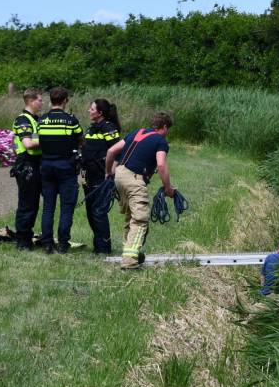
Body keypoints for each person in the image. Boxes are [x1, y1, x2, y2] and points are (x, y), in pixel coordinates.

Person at [105, 111, 177, 270]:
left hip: (119, 175)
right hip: (135, 179)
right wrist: (168, 188)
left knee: (131, 217)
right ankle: (130, 261)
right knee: (140, 220)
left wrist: (108, 173)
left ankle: (130, 253)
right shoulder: (161, 141)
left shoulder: (136, 133)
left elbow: (111, 152)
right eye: (168, 129)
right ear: (164, 127)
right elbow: (161, 164)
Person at [37, 87, 84, 254]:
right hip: (66, 167)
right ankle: (63, 244)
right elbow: (80, 140)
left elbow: (39, 141)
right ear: (65, 101)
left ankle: (47, 244)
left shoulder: (41, 120)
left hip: (47, 166)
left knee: (48, 207)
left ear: (51, 100)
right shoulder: (71, 120)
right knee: (66, 207)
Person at [81, 98, 121, 255]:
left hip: (102, 178)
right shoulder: (91, 129)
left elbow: (118, 151)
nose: (89, 111)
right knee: (91, 212)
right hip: (88, 176)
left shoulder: (109, 128)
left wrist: (110, 173)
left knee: (99, 212)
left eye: (91, 109)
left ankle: (104, 248)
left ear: (100, 112)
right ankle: (98, 246)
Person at [10, 89, 43, 250]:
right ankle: (23, 241)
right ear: (30, 101)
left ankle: (27, 237)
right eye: (39, 100)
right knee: (27, 203)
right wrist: (51, 139)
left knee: (34, 203)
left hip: (36, 163)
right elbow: (28, 144)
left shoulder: (35, 119)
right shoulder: (23, 119)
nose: (42, 103)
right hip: (27, 165)